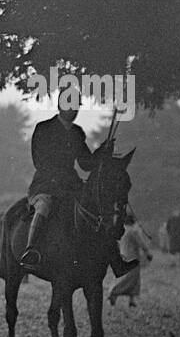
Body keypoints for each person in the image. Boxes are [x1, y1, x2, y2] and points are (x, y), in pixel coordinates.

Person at [20, 91, 138, 275]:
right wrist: (59, 176)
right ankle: (31, 250)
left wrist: (102, 150)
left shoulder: (76, 132)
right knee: (44, 206)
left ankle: (116, 261)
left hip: (71, 185)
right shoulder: (43, 128)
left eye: (76, 107)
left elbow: (86, 164)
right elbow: (39, 161)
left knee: (97, 208)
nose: (73, 111)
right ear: (61, 107)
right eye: (70, 107)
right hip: (45, 184)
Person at [109, 211, 152, 307]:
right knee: (132, 278)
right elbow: (140, 243)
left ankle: (131, 299)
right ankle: (115, 291)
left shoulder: (121, 230)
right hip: (133, 257)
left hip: (122, 255)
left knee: (124, 276)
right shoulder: (133, 231)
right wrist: (147, 252)